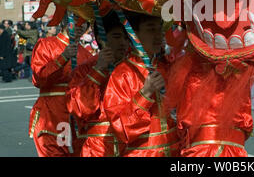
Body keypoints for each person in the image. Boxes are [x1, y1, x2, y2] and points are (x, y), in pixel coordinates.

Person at [103, 12, 180, 157]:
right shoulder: (122, 74)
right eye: (151, 29)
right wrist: (146, 93)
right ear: (134, 34)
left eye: (159, 28)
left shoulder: (169, 68)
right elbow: (121, 128)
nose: (158, 35)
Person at [67, 11, 130, 157]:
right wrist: (98, 71)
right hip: (97, 148)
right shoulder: (83, 70)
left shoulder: (134, 68)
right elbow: (80, 109)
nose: (122, 42)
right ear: (101, 39)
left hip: (130, 146)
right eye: (116, 36)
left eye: (126, 38)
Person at [29, 16, 92, 157]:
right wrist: (63, 57)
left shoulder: (86, 54)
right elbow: (39, 78)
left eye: (84, 22)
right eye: (77, 20)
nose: (81, 25)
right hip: (51, 114)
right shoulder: (46, 44)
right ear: (65, 21)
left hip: (78, 117)